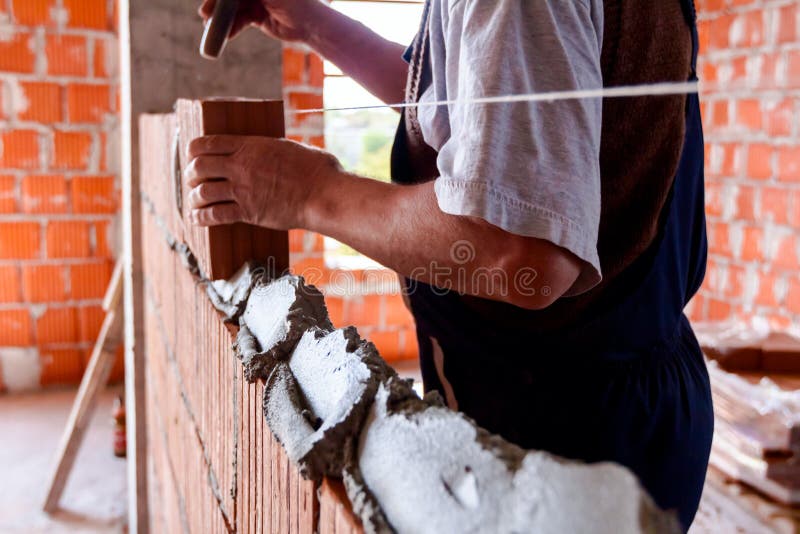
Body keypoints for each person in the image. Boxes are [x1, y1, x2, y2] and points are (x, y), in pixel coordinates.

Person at [189, 0, 712, 529]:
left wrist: (307, 193)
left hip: (563, 437)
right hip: (621, 397)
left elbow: (517, 252)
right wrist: (317, 27)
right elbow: (479, 113)